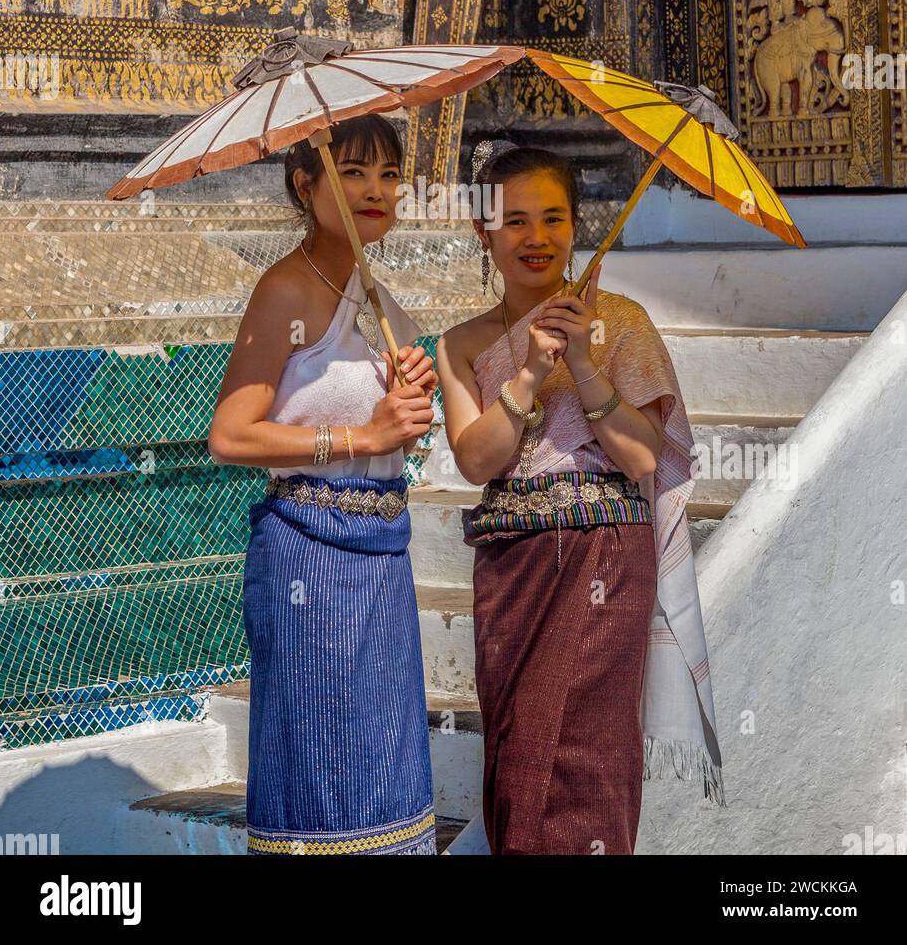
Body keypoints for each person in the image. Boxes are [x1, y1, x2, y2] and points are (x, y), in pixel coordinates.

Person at [436, 140, 725, 856]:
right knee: (517, 745)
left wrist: (586, 368)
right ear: (482, 229)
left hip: (604, 554)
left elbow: (635, 456)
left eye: (554, 219)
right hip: (511, 564)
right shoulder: (462, 344)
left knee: (588, 745)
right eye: (515, 221)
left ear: (576, 226)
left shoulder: (618, 321)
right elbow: (476, 460)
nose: (536, 239)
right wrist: (530, 370)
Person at [208, 113, 438, 855]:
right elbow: (232, 435)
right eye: (353, 172)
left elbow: (387, 429)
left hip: (379, 554)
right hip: (310, 555)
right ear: (305, 186)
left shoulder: (376, 298)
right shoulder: (285, 291)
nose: (376, 190)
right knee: (322, 777)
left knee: (382, 774)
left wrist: (408, 404)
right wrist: (361, 435)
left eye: (389, 174)